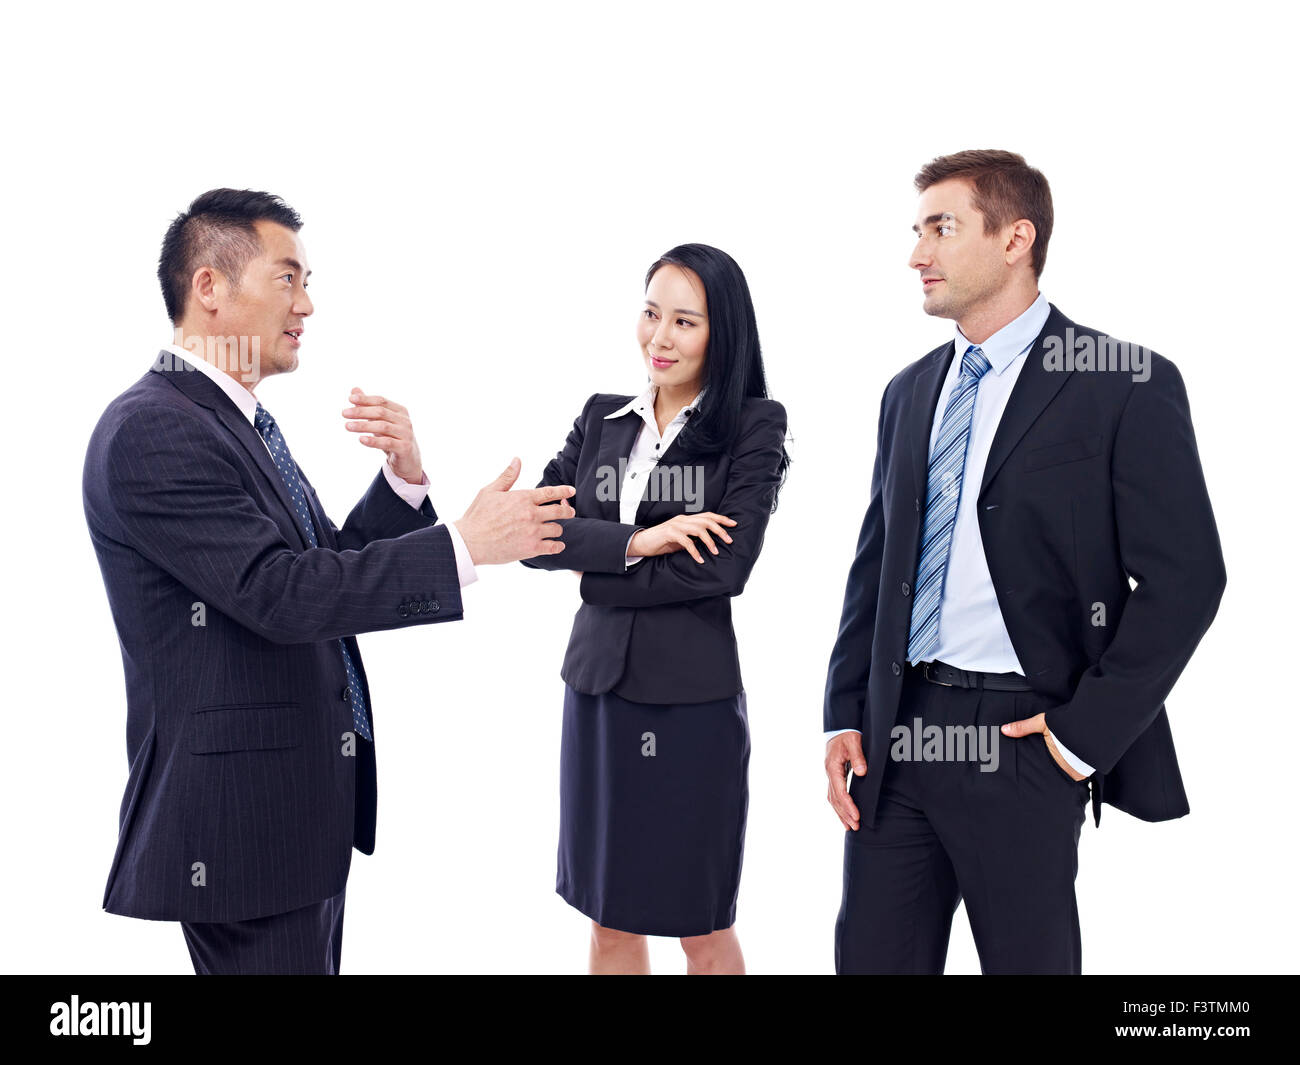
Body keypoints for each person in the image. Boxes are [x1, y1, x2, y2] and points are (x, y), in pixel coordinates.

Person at [82, 188, 575, 974]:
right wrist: (461, 544)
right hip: (244, 835)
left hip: (292, 819)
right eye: (288, 278)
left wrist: (406, 486)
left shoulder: (230, 420)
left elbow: (318, 568)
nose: (307, 304)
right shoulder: (154, 428)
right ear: (208, 287)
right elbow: (281, 594)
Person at [823, 150, 1226, 974]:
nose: (917, 255)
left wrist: (1083, 739)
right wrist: (844, 711)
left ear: (1016, 239)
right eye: (916, 229)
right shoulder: (908, 392)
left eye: (942, 227)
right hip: (898, 736)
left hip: (1022, 738)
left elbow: (1188, 578)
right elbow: (875, 566)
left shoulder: (1122, 382)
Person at [522, 244, 789, 975]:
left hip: (689, 709)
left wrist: (600, 562)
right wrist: (644, 539)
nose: (660, 337)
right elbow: (534, 535)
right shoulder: (602, 419)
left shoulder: (752, 426)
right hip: (599, 694)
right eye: (650, 313)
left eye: (684, 321)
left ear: (721, 333)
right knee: (609, 918)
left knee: (699, 925)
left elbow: (727, 566)